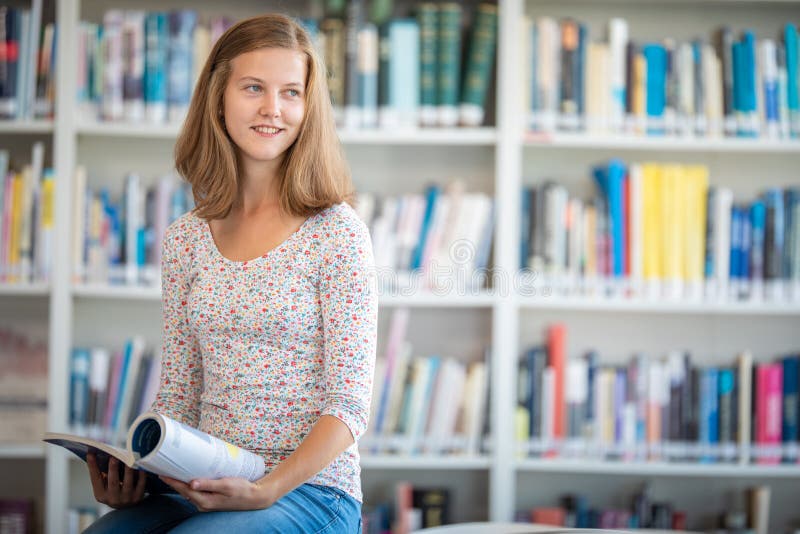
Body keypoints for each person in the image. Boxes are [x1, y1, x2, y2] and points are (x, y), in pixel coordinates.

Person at [85, 13, 377, 534]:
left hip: (309, 493)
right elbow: (178, 390)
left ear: (309, 108)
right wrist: (141, 469)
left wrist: (266, 488)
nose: (272, 109)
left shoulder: (338, 232)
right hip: (201, 482)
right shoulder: (186, 238)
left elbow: (350, 405)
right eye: (253, 88)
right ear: (218, 97)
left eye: (291, 92)